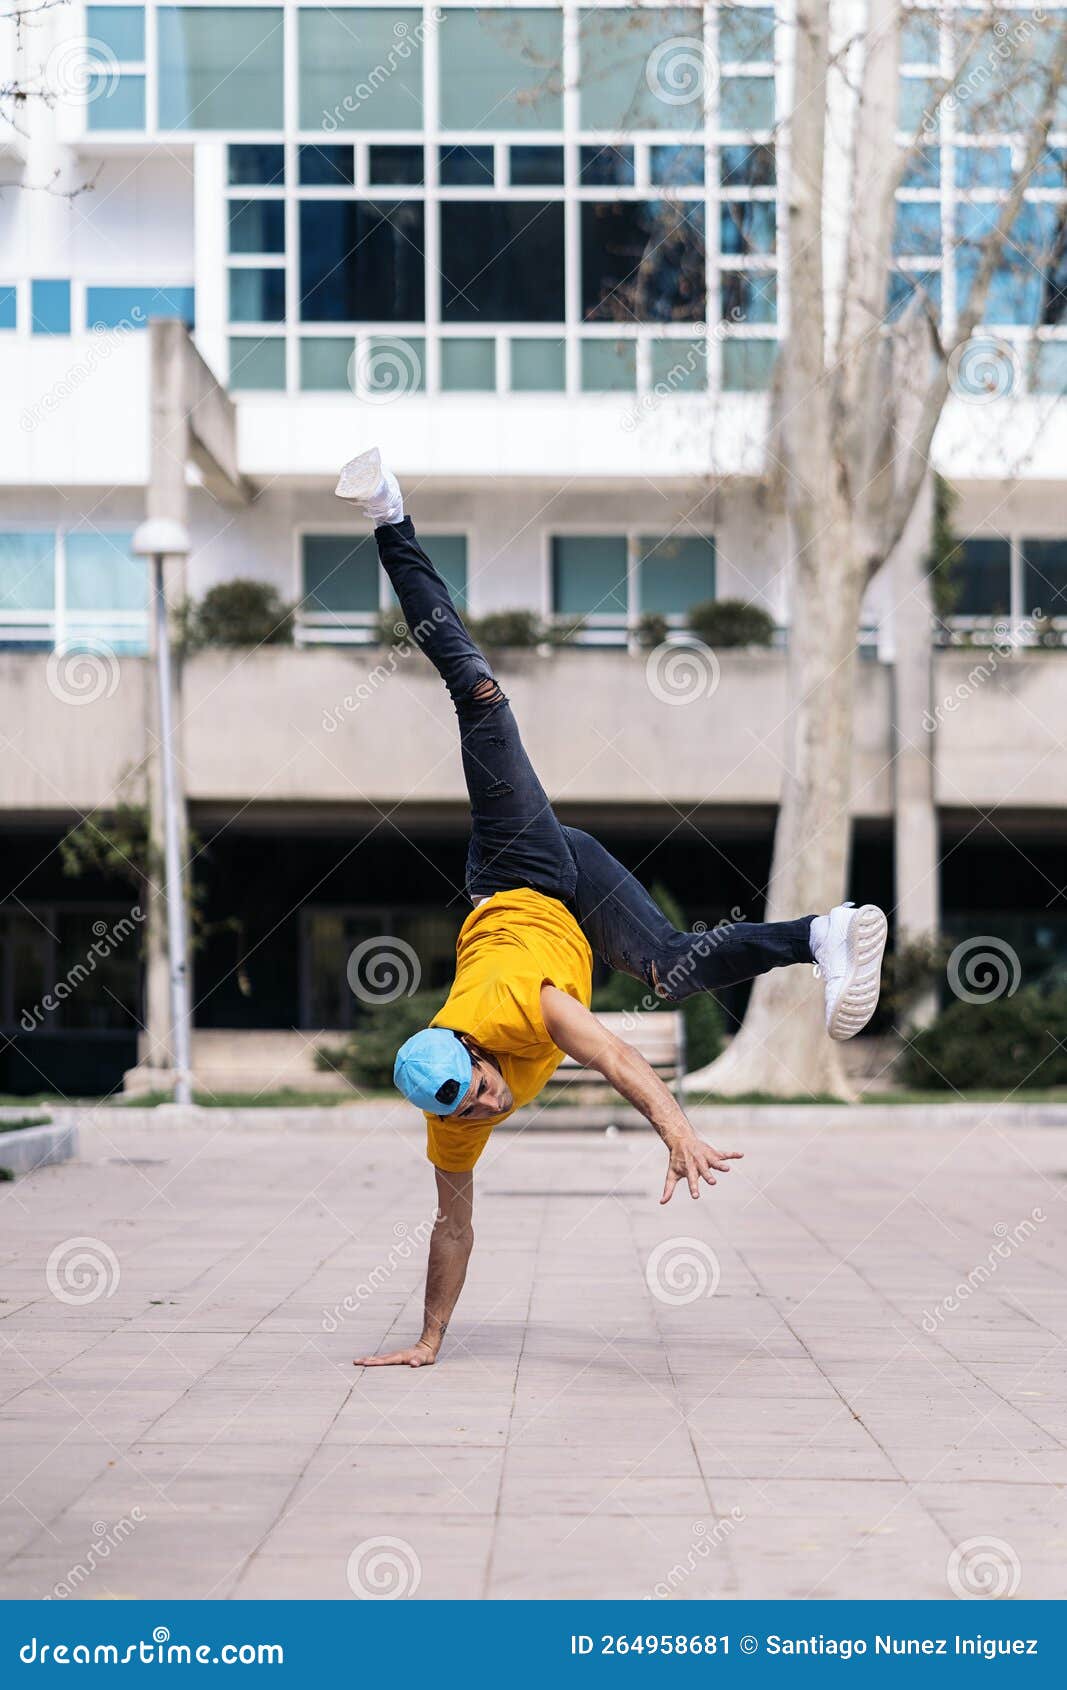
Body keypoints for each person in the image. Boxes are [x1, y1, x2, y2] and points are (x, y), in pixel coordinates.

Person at [337, 449, 888, 1369]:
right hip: (577, 892)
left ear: (473, 1051)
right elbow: (452, 1225)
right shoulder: (447, 1120)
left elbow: (617, 1056)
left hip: (515, 867)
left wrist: (675, 1130)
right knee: (669, 966)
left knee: (478, 697)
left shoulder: (513, 1009)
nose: (488, 1106)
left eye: (481, 1090)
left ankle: (390, 518)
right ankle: (818, 934)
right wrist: (429, 1339)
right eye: (472, 1110)